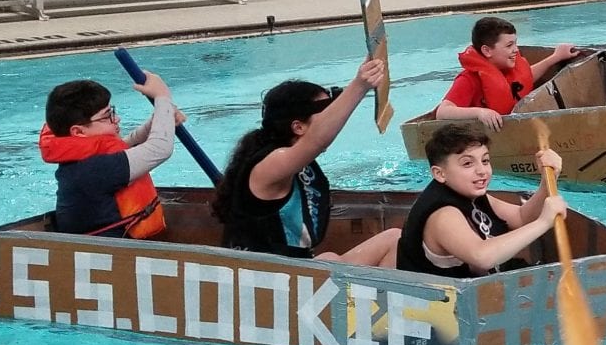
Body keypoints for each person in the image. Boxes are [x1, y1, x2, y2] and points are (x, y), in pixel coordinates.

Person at [217, 58, 402, 266]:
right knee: (334, 258)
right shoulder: (270, 164)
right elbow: (317, 138)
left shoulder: (298, 161)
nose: (334, 116)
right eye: (326, 110)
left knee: (394, 238)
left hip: (298, 268)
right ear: (298, 127)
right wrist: (360, 85)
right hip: (268, 280)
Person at [397, 122, 567, 278]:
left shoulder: (471, 196)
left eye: (485, 160)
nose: (482, 171)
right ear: (439, 174)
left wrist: (547, 181)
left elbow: (522, 217)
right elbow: (482, 256)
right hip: (444, 305)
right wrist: (544, 222)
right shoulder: (443, 214)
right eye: (467, 164)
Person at [40, 71, 181, 238]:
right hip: (113, 256)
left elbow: (125, 148)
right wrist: (162, 96)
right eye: (107, 116)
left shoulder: (84, 163)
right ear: (78, 131)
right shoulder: (95, 171)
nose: (117, 119)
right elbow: (159, 148)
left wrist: (159, 119)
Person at [432, 16, 581, 130]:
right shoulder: (468, 79)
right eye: (509, 45)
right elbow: (443, 112)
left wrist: (555, 57)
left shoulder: (509, 68)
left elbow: (527, 78)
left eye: (515, 43)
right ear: (487, 50)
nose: (516, 49)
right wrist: (480, 113)